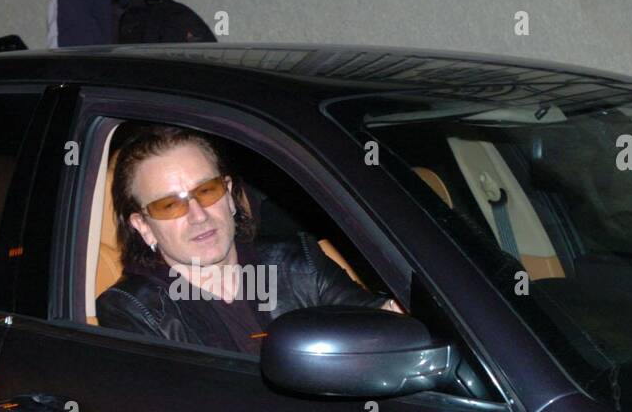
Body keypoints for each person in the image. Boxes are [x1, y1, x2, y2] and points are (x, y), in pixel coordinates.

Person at [96, 126, 404, 355]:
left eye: (207, 191)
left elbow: (376, 323)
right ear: (143, 226)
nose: (198, 215)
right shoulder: (133, 310)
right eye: (170, 205)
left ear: (229, 195)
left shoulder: (296, 262)